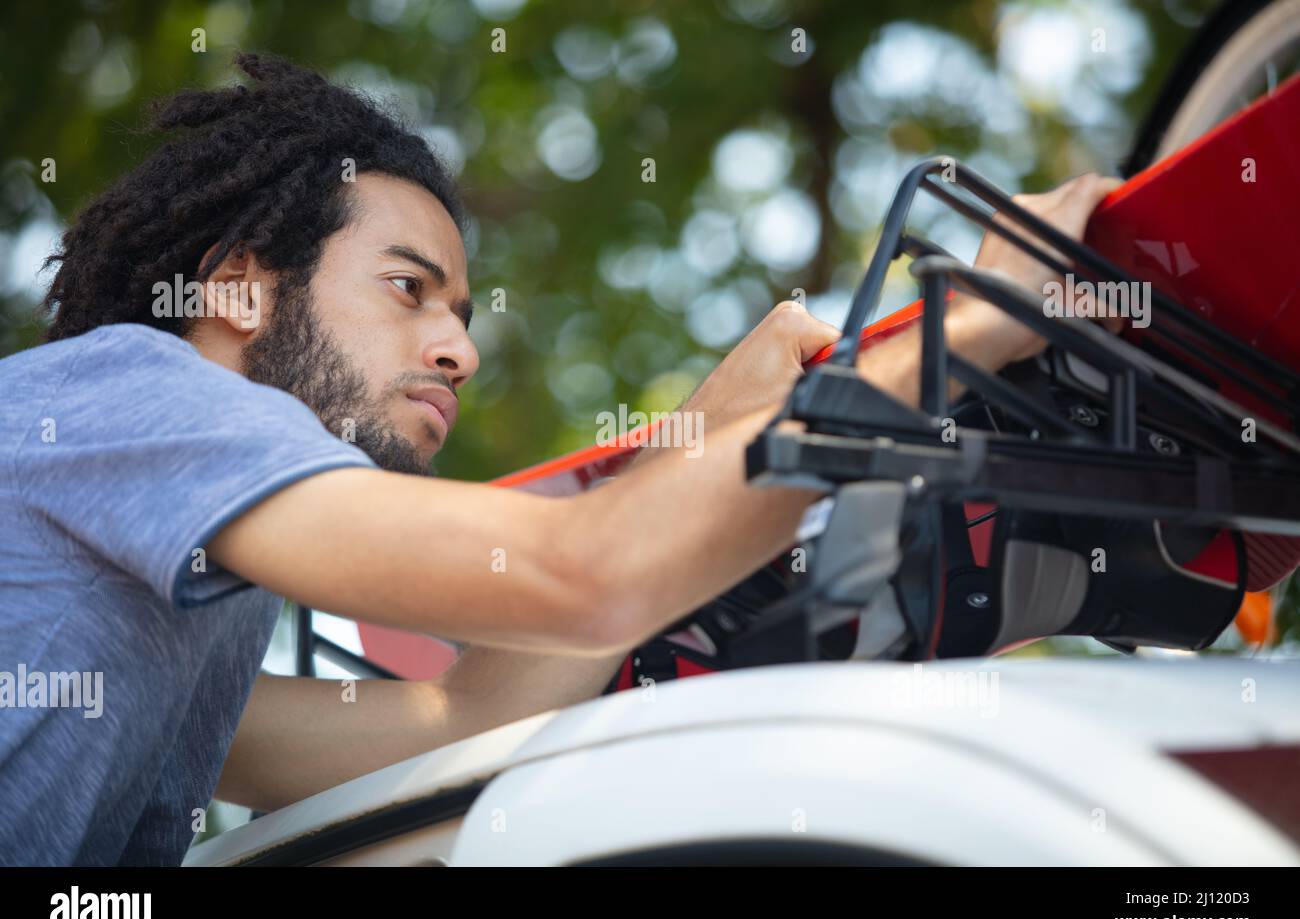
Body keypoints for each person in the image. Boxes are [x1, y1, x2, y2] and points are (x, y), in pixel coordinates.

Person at [0, 52, 1120, 865]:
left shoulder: (190, 583)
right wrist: (972, 325)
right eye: (408, 290)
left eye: (460, 308)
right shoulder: (129, 391)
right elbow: (581, 575)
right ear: (238, 288)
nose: (462, 347)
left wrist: (709, 429)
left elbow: (456, 724)